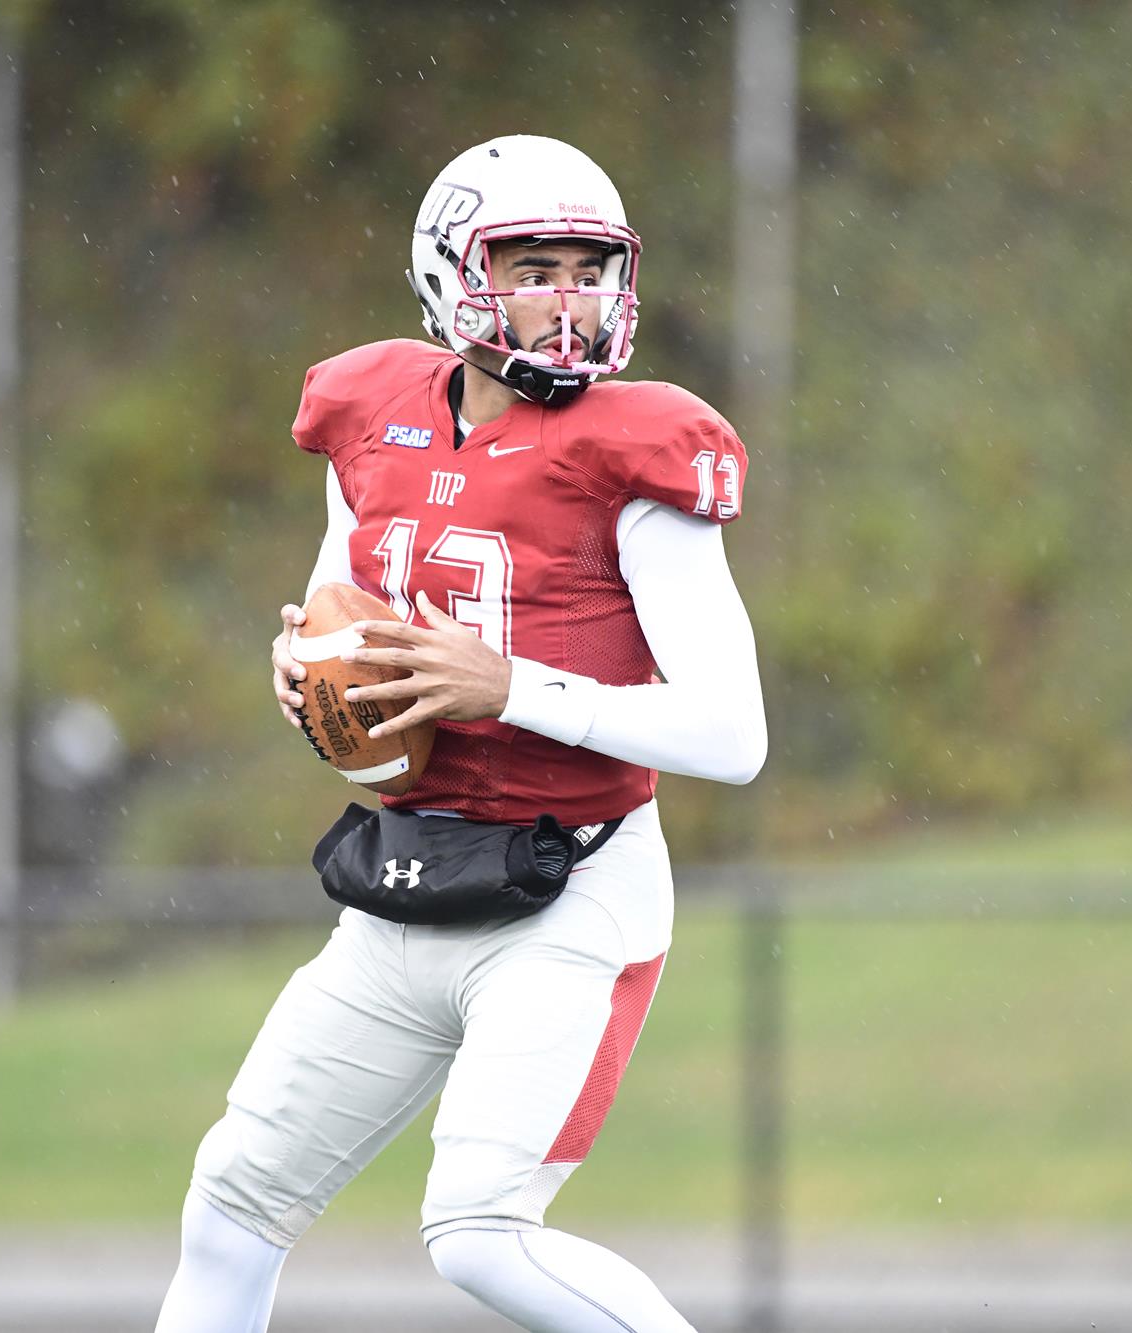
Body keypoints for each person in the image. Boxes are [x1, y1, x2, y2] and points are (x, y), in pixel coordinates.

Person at [155, 134, 767, 1333]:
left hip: (567, 894)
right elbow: (339, 601)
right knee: (228, 1204)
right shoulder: (371, 413)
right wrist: (304, 670)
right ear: (450, 272)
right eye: (531, 266)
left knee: (480, 1237)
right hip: (409, 877)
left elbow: (732, 735)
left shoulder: (632, 454)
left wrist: (509, 688)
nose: (567, 300)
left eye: (587, 269)